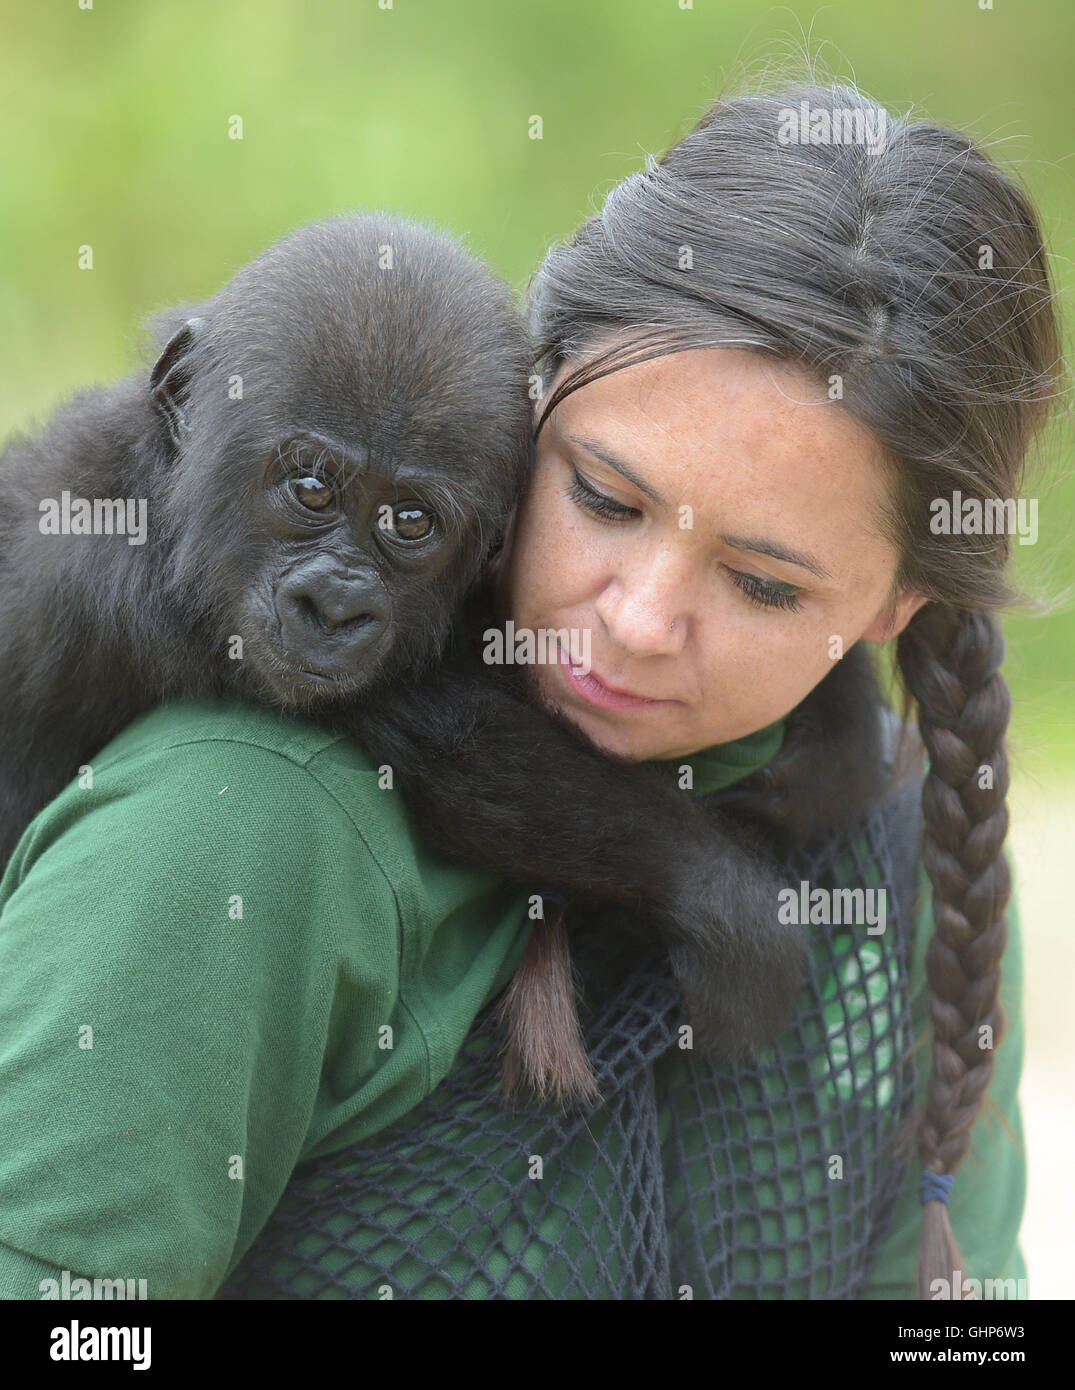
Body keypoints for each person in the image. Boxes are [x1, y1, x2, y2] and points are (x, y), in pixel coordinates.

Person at [0, 75, 1062, 1301]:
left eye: (766, 586)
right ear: (536, 417)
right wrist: (691, 872)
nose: (636, 621)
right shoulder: (238, 816)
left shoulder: (902, 844)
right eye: (603, 500)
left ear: (890, 611)